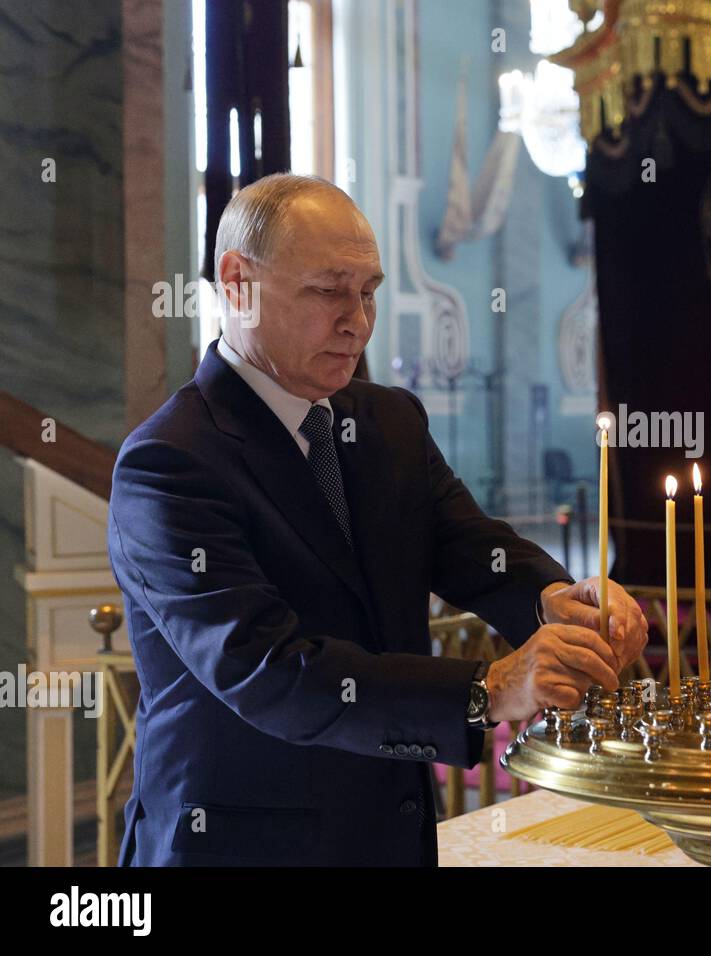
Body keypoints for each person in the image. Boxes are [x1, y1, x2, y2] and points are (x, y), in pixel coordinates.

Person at [108, 173, 648, 865]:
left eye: (369, 292)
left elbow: (469, 546)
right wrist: (490, 691)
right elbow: (269, 672)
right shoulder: (170, 462)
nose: (357, 320)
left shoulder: (386, 418)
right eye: (330, 290)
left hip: (388, 832)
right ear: (237, 281)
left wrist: (557, 600)